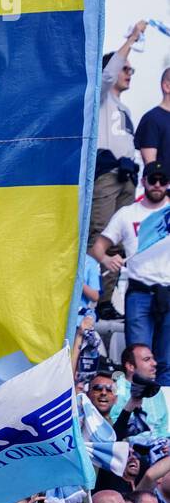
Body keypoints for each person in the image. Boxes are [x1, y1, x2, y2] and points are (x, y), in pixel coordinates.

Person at [92, 162, 170, 386]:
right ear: (143, 181)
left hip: (168, 290)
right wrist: (107, 259)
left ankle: (164, 415)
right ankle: (135, 411)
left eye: (162, 181)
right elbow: (98, 245)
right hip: (139, 292)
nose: (157, 185)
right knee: (137, 360)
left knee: (166, 360)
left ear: (168, 184)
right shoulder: (127, 214)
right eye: (152, 180)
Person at [92, 22, 146, 314]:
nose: (129, 74)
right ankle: (91, 293)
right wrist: (132, 38)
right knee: (98, 232)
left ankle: (105, 299)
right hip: (106, 174)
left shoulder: (125, 109)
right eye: (127, 69)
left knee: (118, 238)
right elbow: (108, 73)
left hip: (127, 177)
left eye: (131, 70)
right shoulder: (100, 98)